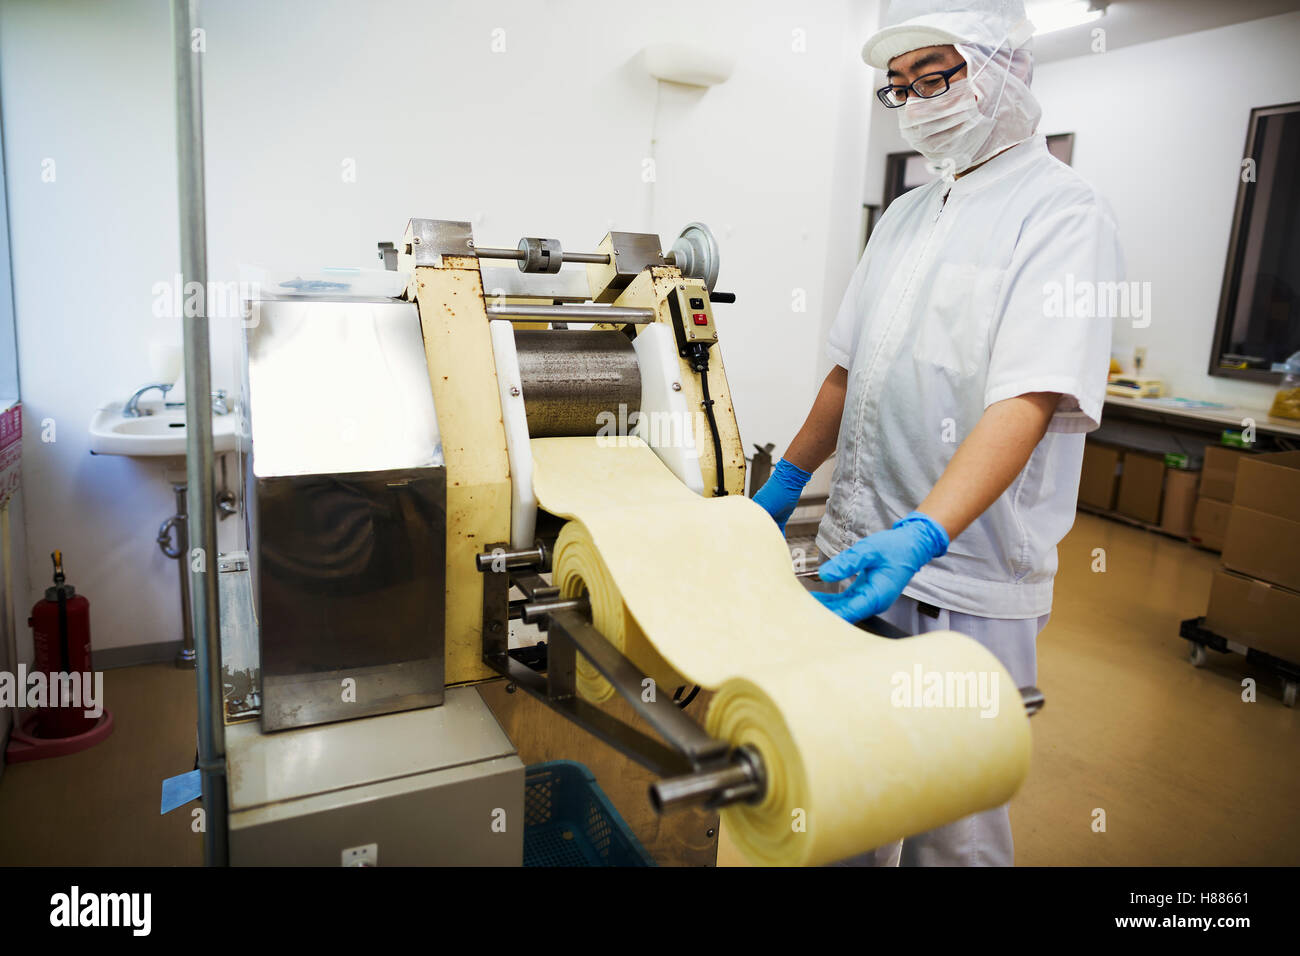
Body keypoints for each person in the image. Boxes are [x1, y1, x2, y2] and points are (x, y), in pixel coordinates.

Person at [752, 0, 1123, 866]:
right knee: (850, 789)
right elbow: (851, 369)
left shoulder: (1064, 215)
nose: (918, 102)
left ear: (1005, 71)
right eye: (900, 88)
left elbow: (1027, 402)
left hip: (968, 574)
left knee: (951, 824)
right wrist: (782, 484)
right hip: (854, 554)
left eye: (936, 77)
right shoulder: (908, 216)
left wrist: (925, 532)